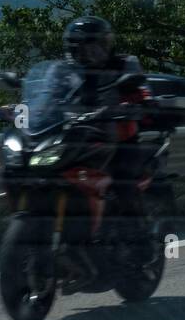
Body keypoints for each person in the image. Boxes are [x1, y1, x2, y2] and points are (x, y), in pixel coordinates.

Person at [61, 16, 153, 261]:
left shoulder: (125, 64)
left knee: (123, 182)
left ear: (106, 45)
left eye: (94, 46)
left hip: (119, 139)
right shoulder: (65, 72)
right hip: (80, 138)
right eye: (80, 47)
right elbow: (47, 95)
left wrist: (135, 103)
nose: (88, 52)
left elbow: (143, 92)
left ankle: (141, 243)